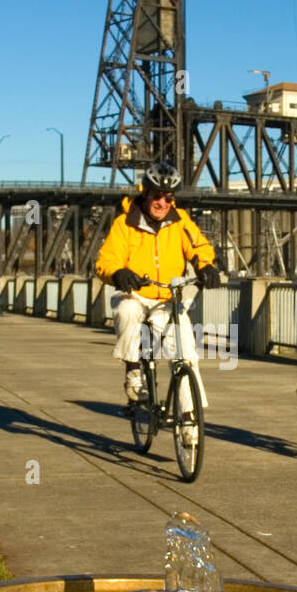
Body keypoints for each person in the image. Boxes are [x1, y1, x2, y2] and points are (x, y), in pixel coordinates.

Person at [95, 162, 221, 434]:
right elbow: (105, 261)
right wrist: (118, 273)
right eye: (157, 196)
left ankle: (190, 421)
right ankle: (133, 372)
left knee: (186, 356)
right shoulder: (124, 224)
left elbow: (199, 246)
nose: (162, 202)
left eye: (169, 198)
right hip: (136, 294)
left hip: (168, 299)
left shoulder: (180, 222)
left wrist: (206, 266)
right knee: (127, 312)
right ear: (145, 193)